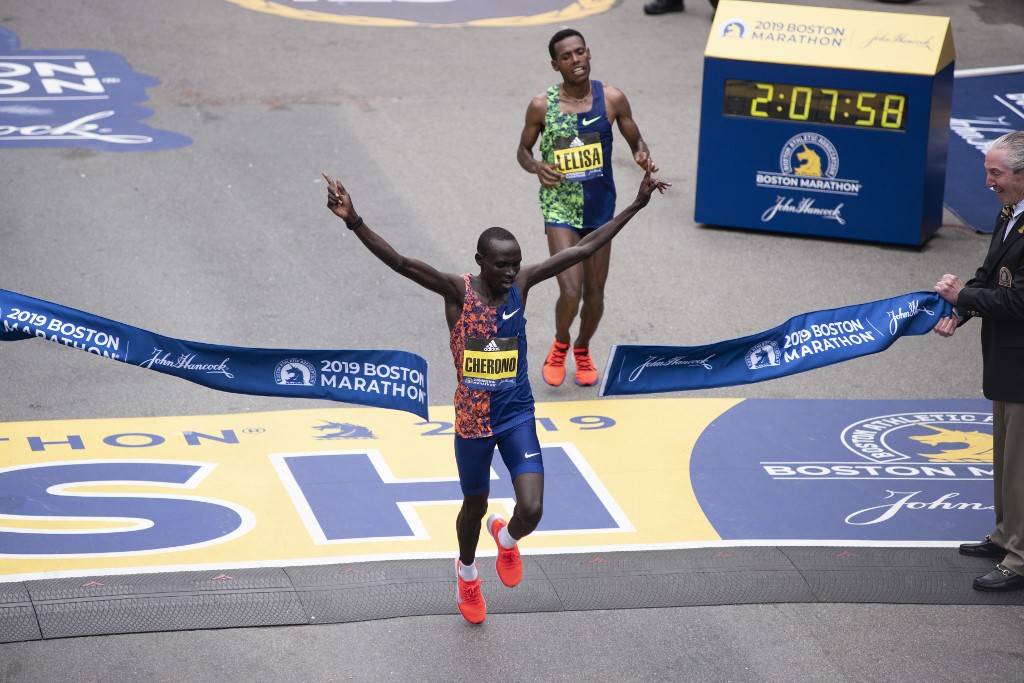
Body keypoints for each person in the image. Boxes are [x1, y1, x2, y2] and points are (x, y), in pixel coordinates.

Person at [322, 170, 669, 623]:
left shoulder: (521, 285)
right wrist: (354, 220)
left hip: (516, 413)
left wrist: (637, 204)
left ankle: (506, 540)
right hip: (473, 423)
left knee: (533, 508)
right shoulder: (456, 292)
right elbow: (402, 263)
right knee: (475, 505)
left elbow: (583, 249)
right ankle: (467, 572)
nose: (510, 273)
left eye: (515, 264)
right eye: (501, 265)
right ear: (480, 262)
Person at [517, 28, 660, 387]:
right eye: (566, 56)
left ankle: (582, 347)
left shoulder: (611, 99)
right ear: (555, 65)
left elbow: (636, 140)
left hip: (600, 210)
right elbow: (523, 151)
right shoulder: (542, 105)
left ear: (589, 53)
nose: (575, 60)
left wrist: (642, 155)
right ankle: (560, 344)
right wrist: (536, 167)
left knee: (595, 295)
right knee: (571, 290)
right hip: (560, 209)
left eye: (579, 52)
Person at [933, 130, 1024, 592]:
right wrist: (961, 310)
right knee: (1005, 457)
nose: (988, 181)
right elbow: (989, 275)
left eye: (996, 173)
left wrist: (962, 296)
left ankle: (1020, 558)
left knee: (1020, 466)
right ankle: (1005, 536)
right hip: (1007, 359)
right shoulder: (1011, 212)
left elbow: (1019, 302)